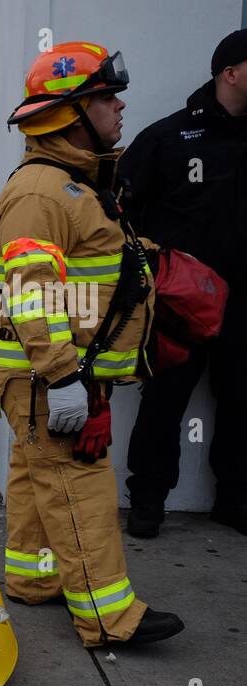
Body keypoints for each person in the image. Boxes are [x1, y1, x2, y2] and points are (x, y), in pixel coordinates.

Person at [0, 43, 183, 648]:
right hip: (53, 377)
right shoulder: (44, 195)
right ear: (72, 112)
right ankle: (108, 618)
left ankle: (34, 578)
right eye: (105, 96)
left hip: (50, 375)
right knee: (79, 485)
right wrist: (64, 378)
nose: (119, 105)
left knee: (33, 475)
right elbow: (30, 296)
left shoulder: (70, 184)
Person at [119, 29, 247, 538]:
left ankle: (234, 500)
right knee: (165, 399)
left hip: (245, 302)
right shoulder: (168, 137)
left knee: (241, 399)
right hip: (183, 300)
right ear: (230, 72)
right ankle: (147, 501)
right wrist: (149, 276)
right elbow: (122, 213)